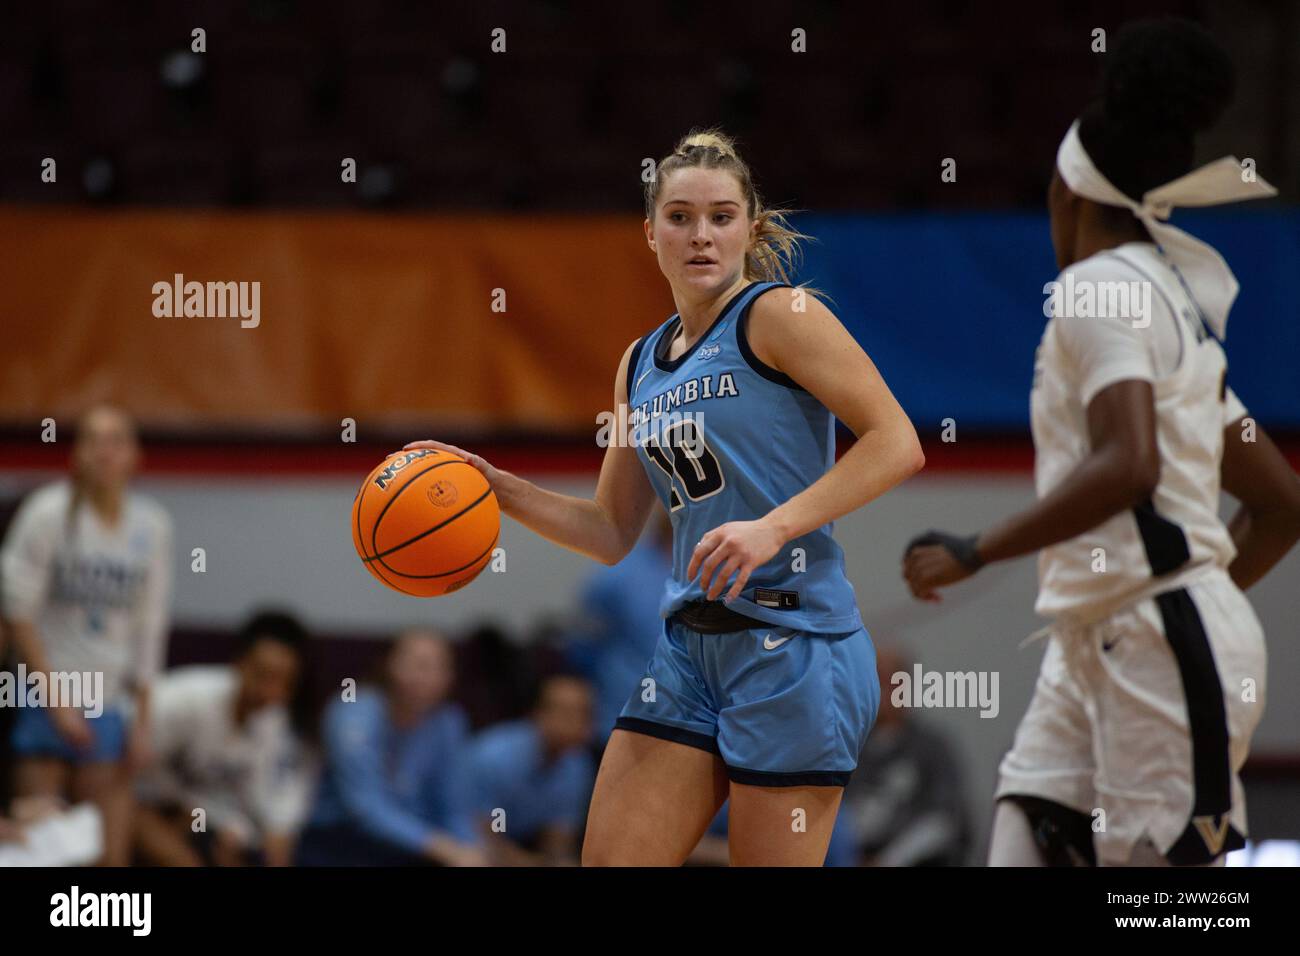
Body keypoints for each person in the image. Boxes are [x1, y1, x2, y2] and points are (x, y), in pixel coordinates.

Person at [406, 128, 924, 866]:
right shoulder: (640, 361)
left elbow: (897, 441)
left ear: (750, 226)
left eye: (720, 216)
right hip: (689, 651)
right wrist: (499, 489)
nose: (701, 235)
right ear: (651, 233)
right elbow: (612, 530)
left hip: (796, 649)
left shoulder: (779, 316)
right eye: (679, 217)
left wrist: (772, 529)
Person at [902, 19, 1299, 867]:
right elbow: (1282, 503)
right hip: (1105, 639)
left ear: (1068, 192)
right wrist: (1197, 595)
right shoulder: (1173, 305)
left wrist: (976, 548)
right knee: (1023, 839)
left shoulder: (1095, 289)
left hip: (1154, 641)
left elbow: (1130, 464)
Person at [1, 404, 173, 865]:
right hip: (45, 685)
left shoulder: (152, 526)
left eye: (117, 440)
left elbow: (150, 625)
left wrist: (143, 719)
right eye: (92, 439)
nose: (105, 451)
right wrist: (55, 702)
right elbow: (17, 613)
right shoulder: (47, 513)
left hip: (110, 694)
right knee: (42, 848)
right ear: (76, 453)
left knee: (106, 853)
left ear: (135, 455)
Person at [133, 610, 315, 866]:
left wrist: (236, 832)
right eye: (263, 675)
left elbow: (260, 803)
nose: (270, 691)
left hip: (205, 818)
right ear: (239, 663)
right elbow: (128, 778)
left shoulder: (275, 722)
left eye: (283, 682)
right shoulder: (178, 702)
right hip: (135, 801)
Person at [295, 628, 484, 866]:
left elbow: (454, 806)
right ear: (389, 666)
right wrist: (444, 848)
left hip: (414, 844)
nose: (428, 677)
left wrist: (471, 849)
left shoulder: (449, 722)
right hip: (341, 840)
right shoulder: (354, 714)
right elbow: (364, 808)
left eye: (439, 667)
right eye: (419, 665)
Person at [839, 645, 970, 866]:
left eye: (893, 681)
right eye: (877, 680)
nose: (885, 691)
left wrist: (890, 860)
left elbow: (947, 819)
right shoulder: (847, 749)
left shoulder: (931, 748)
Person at [457, 673, 595, 865]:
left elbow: (558, 841)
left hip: (519, 846)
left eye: (584, 714)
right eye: (566, 712)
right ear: (538, 713)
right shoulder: (495, 757)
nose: (576, 722)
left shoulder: (577, 765)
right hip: (465, 838)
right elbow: (486, 833)